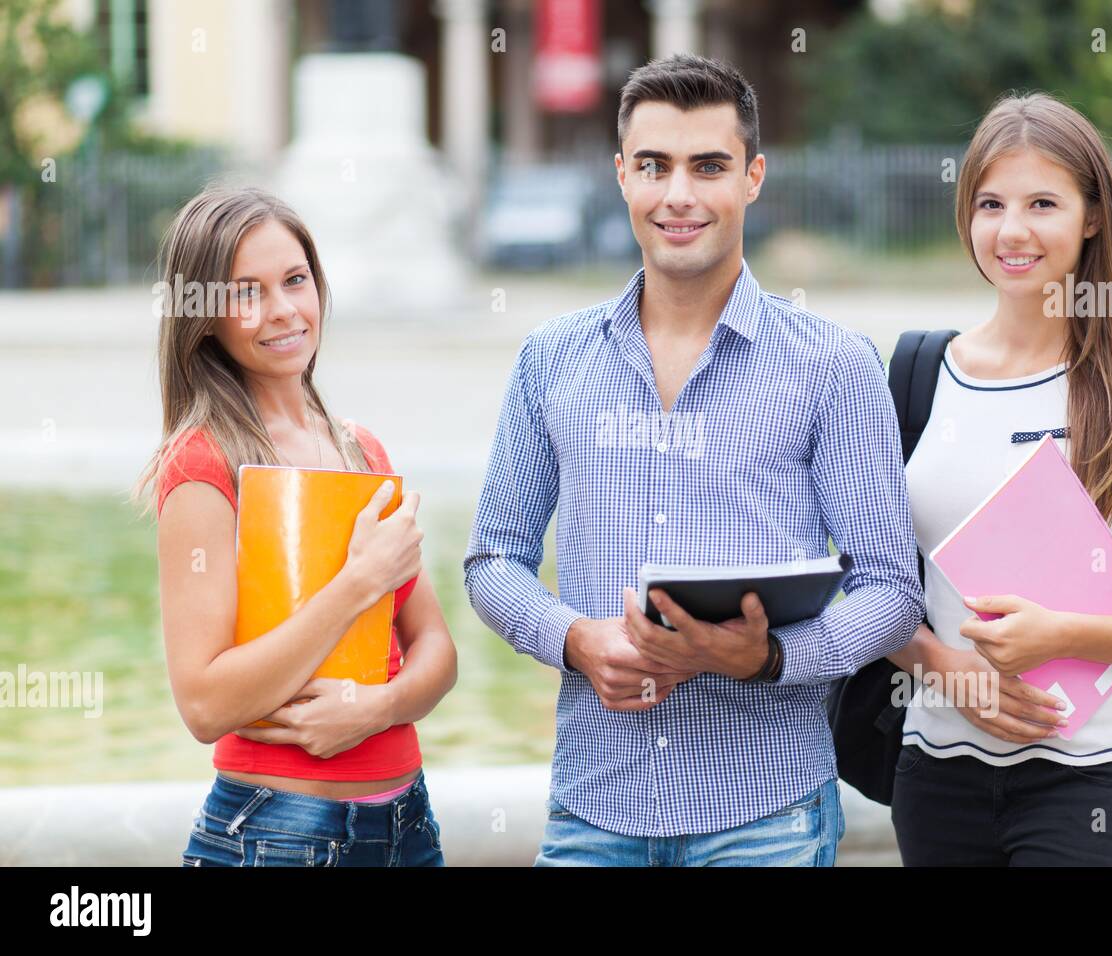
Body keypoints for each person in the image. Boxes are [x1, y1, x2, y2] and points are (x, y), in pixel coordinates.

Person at [464, 54, 924, 867]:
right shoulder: (550, 360)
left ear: (752, 176)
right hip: (592, 808)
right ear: (621, 176)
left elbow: (888, 589)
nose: (678, 195)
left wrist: (771, 657)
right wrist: (572, 637)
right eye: (654, 166)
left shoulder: (834, 366)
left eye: (707, 166)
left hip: (768, 815)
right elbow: (493, 558)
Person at [885, 92, 1112, 865]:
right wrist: (944, 668)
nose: (1011, 231)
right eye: (990, 203)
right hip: (939, 776)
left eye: (1042, 202)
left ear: (1091, 217)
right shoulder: (916, 378)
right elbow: (872, 587)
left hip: (1097, 780)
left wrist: (1064, 635)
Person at [135, 186, 457, 866]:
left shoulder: (361, 452)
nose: (282, 310)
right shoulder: (203, 463)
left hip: (408, 824)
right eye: (246, 292)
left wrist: (380, 706)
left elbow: (437, 650)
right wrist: (359, 580)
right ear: (205, 316)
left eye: (295, 280)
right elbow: (202, 702)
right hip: (281, 832)